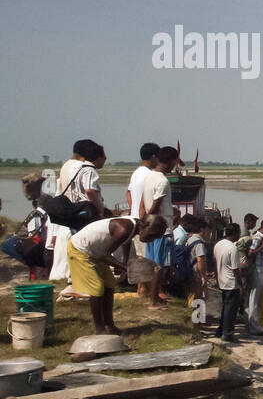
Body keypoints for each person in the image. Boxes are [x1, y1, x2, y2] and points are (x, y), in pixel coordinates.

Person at [68, 214, 167, 335]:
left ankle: (109, 325)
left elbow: (126, 241)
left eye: (154, 238)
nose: (151, 240)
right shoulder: (125, 228)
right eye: (151, 235)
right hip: (80, 249)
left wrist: (124, 261)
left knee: (109, 285)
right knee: (97, 288)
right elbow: (106, 255)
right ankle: (100, 330)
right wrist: (125, 268)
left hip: (96, 252)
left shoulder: (133, 227)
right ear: (143, 226)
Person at [48, 140, 107, 286]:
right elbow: (90, 191)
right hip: (85, 212)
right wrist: (100, 210)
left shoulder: (68, 166)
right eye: (104, 157)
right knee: (86, 247)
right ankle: (81, 279)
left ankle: (72, 278)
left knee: (75, 245)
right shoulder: (88, 168)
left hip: (72, 211)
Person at [138, 146, 180, 308]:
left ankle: (151, 294)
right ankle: (153, 300)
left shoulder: (149, 177)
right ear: (171, 162)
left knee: (151, 263)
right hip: (161, 229)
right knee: (159, 266)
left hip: (152, 228)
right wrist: (152, 222)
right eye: (175, 162)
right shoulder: (162, 181)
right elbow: (155, 207)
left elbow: (146, 204)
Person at [126, 143, 160, 296]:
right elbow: (151, 201)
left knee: (141, 255)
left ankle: (143, 288)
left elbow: (128, 192)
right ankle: (143, 289)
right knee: (145, 256)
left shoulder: (136, 173)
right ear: (153, 157)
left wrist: (133, 208)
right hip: (144, 221)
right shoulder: (149, 175)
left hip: (135, 218)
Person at [213, 223, 241, 342]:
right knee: (231, 310)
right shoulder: (232, 248)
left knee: (225, 307)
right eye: (239, 232)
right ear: (234, 233)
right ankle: (227, 333)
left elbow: (215, 262)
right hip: (231, 282)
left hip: (222, 280)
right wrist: (240, 284)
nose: (239, 235)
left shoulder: (218, 245)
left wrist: (217, 278)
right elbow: (235, 269)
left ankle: (220, 330)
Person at [246, 217, 263, 335]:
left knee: (255, 299)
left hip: (260, 271)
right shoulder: (258, 237)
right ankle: (253, 326)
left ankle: (254, 324)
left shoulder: (260, 237)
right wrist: (262, 247)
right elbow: (250, 253)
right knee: (254, 300)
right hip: (256, 271)